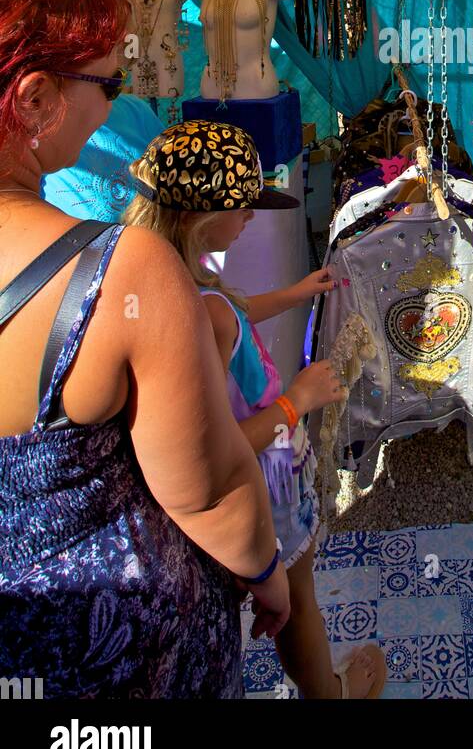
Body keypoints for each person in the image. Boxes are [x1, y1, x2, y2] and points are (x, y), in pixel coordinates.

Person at [0, 0, 290, 698]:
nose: (116, 103)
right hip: (113, 653)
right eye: (107, 82)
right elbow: (208, 490)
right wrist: (268, 577)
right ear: (33, 100)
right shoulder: (121, 274)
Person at [125, 120, 388, 699]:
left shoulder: (177, 281)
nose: (252, 218)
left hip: (250, 477)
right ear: (200, 217)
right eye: (244, 207)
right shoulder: (206, 313)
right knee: (299, 604)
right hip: (264, 477)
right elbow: (217, 445)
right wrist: (299, 399)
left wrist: (299, 292)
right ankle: (329, 693)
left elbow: (237, 313)